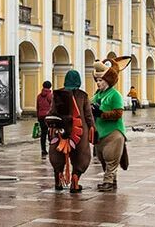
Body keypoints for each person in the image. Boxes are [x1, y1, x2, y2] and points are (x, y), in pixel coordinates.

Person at [46, 69, 95, 193]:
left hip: (60, 129)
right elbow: (88, 115)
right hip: (78, 130)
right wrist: (93, 128)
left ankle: (58, 178)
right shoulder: (82, 95)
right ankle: (75, 180)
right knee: (81, 155)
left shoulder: (57, 94)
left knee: (57, 153)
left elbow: (52, 112)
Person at [91, 56, 133, 192]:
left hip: (114, 133)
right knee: (102, 158)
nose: (98, 83)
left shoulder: (115, 95)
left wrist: (101, 113)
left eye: (101, 80)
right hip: (100, 132)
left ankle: (108, 181)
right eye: (97, 80)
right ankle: (112, 180)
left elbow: (118, 113)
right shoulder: (97, 95)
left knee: (111, 158)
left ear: (108, 80)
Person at [36, 81, 54, 158]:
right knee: (51, 132)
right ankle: (51, 148)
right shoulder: (50, 95)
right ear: (50, 86)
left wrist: (38, 116)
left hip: (41, 116)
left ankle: (43, 149)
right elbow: (52, 106)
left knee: (43, 133)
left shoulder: (39, 96)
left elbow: (37, 107)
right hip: (48, 116)